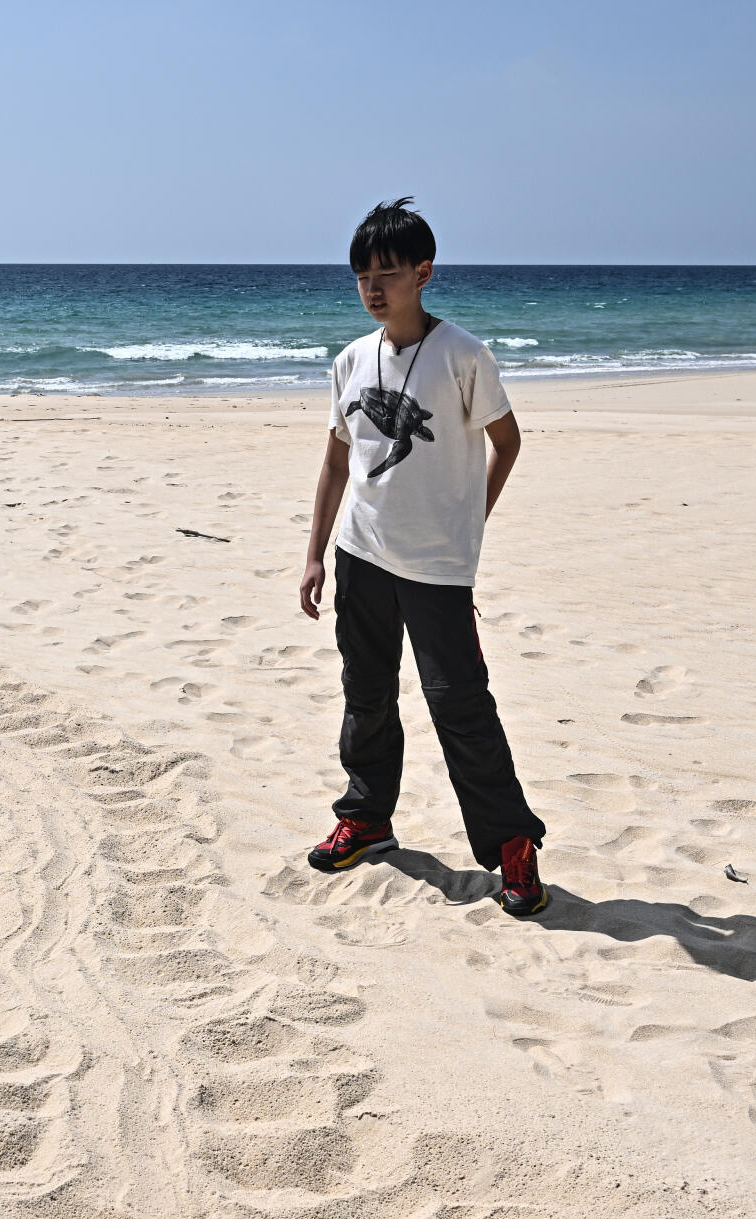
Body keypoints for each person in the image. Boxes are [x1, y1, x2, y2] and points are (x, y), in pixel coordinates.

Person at [296, 198, 551, 917]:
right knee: (366, 695)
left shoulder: (463, 356)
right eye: (361, 276)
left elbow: (507, 443)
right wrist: (314, 555)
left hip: (438, 568)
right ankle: (367, 819)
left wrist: (469, 522)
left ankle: (512, 847)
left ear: (423, 272)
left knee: (460, 705)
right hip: (362, 556)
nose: (373, 288)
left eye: (387, 273)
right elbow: (336, 462)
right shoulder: (350, 359)